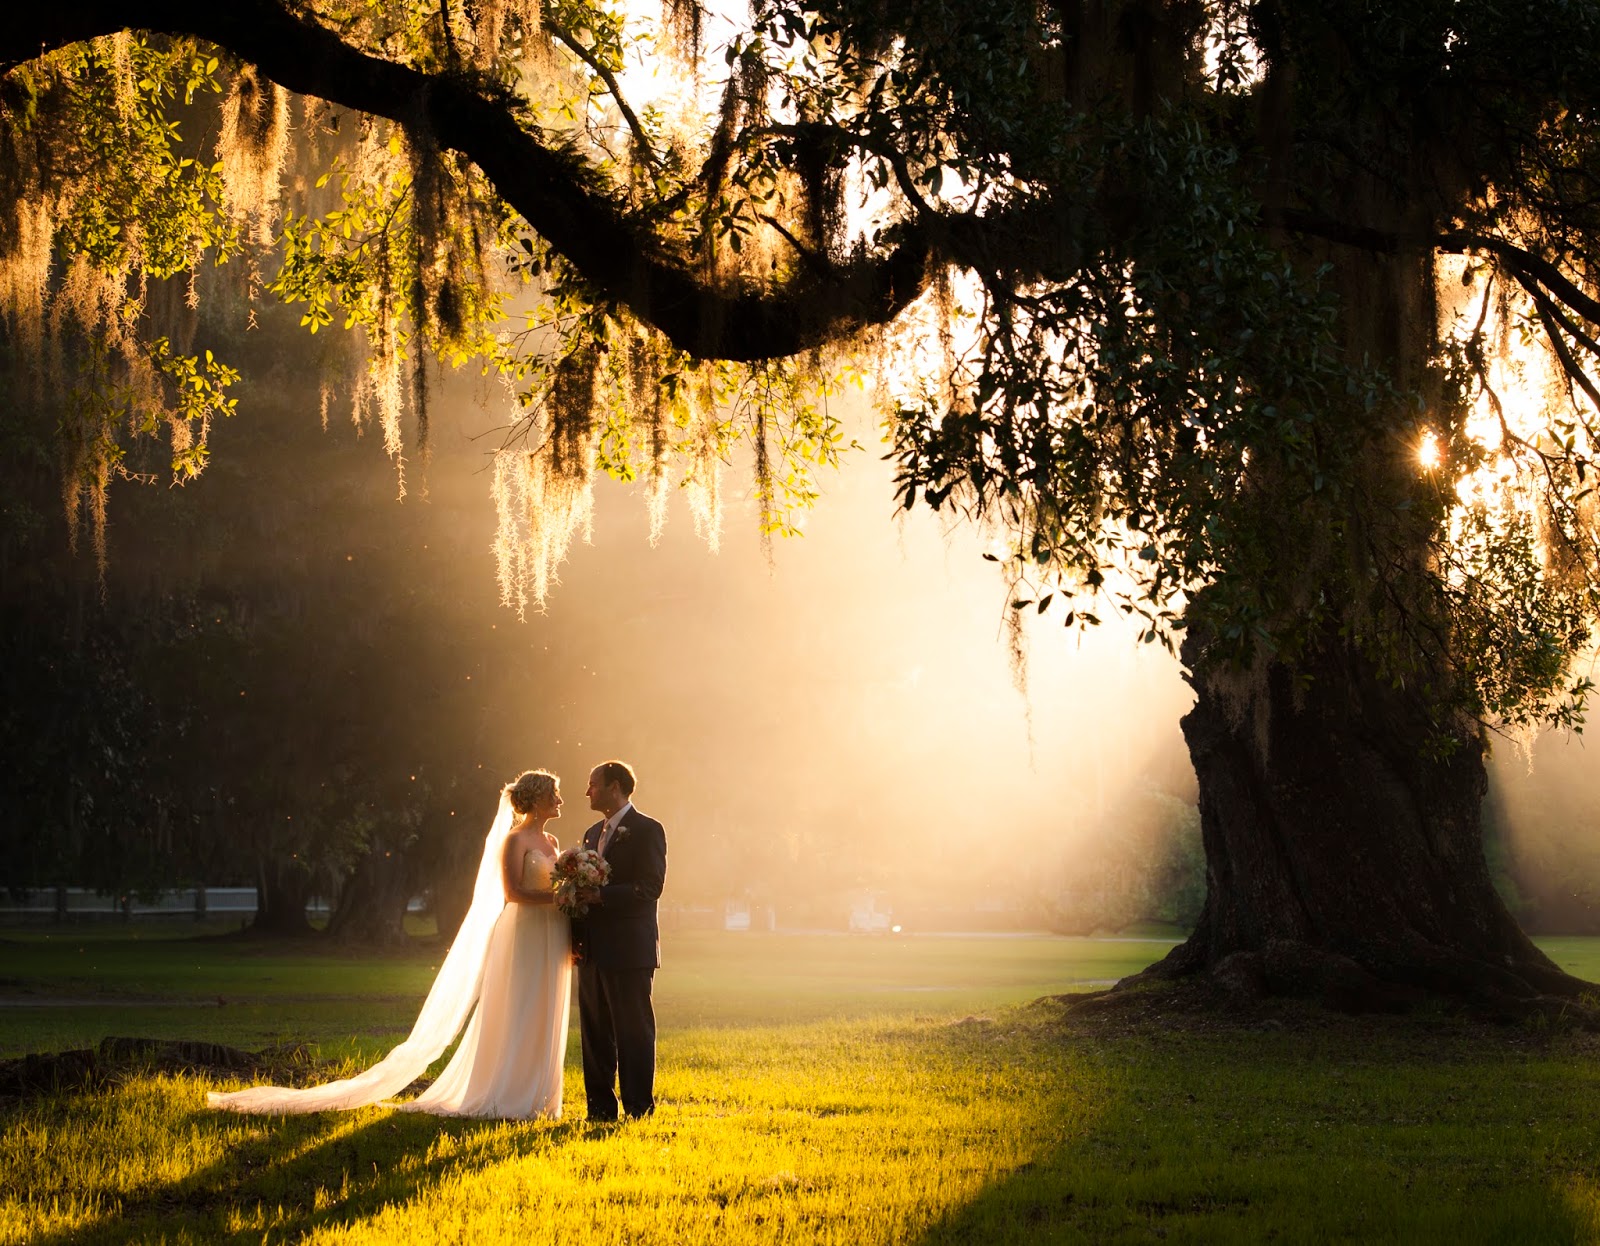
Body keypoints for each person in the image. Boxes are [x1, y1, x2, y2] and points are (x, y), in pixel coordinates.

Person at [206, 770, 572, 1118]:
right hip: (522, 933)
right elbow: (512, 893)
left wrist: (567, 896)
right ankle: (508, 1093)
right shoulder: (514, 840)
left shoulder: (552, 842)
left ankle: (539, 1095)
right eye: (553, 793)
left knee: (545, 1006)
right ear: (536, 799)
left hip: (550, 932)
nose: (559, 798)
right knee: (519, 1007)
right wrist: (561, 898)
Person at [573, 760, 667, 1121]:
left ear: (615, 787)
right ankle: (599, 1109)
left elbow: (649, 887)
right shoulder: (591, 832)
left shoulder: (647, 830)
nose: (587, 792)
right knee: (594, 1034)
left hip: (629, 949)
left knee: (633, 1032)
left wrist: (601, 897)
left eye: (593, 784)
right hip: (592, 949)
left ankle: (638, 1108)